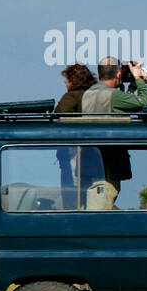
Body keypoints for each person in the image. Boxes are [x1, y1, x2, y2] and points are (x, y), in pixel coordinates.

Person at [81, 58, 147, 208]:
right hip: (107, 166)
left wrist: (131, 91)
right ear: (119, 74)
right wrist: (139, 79)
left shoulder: (89, 94)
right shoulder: (113, 96)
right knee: (102, 209)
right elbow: (146, 102)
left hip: (89, 163)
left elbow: (111, 110)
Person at [53, 63, 98, 209]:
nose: (66, 82)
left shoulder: (71, 97)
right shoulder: (95, 95)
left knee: (72, 201)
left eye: (67, 79)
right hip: (93, 156)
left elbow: (58, 116)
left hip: (73, 156)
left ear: (73, 80)